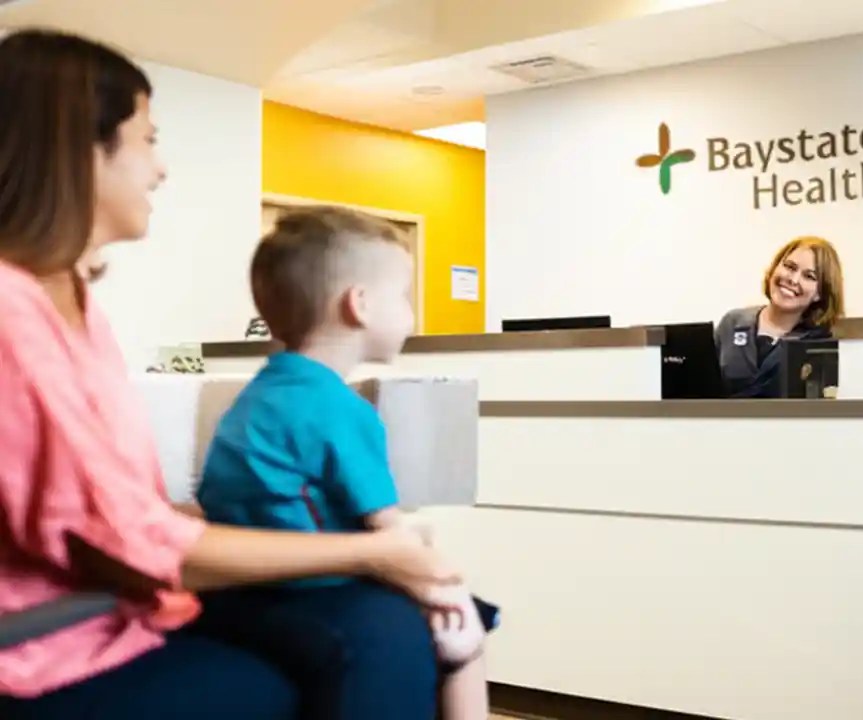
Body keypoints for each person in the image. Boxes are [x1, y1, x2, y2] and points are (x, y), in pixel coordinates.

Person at [0, 29, 460, 719]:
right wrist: (374, 554)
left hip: (117, 611)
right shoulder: (12, 314)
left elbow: (114, 514)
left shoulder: (78, 306)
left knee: (380, 626)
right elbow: (123, 542)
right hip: (47, 645)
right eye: (148, 140)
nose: (161, 170)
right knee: (380, 635)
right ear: (80, 150)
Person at [195, 206, 497, 720]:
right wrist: (441, 576)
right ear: (359, 305)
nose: (411, 313)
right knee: (468, 621)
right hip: (313, 589)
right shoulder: (341, 410)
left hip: (235, 594)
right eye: (403, 296)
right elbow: (389, 531)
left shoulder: (254, 397)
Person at [714, 236, 845, 398]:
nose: (793, 279)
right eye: (790, 267)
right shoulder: (732, 323)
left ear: (820, 293)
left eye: (809, 276)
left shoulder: (821, 343)